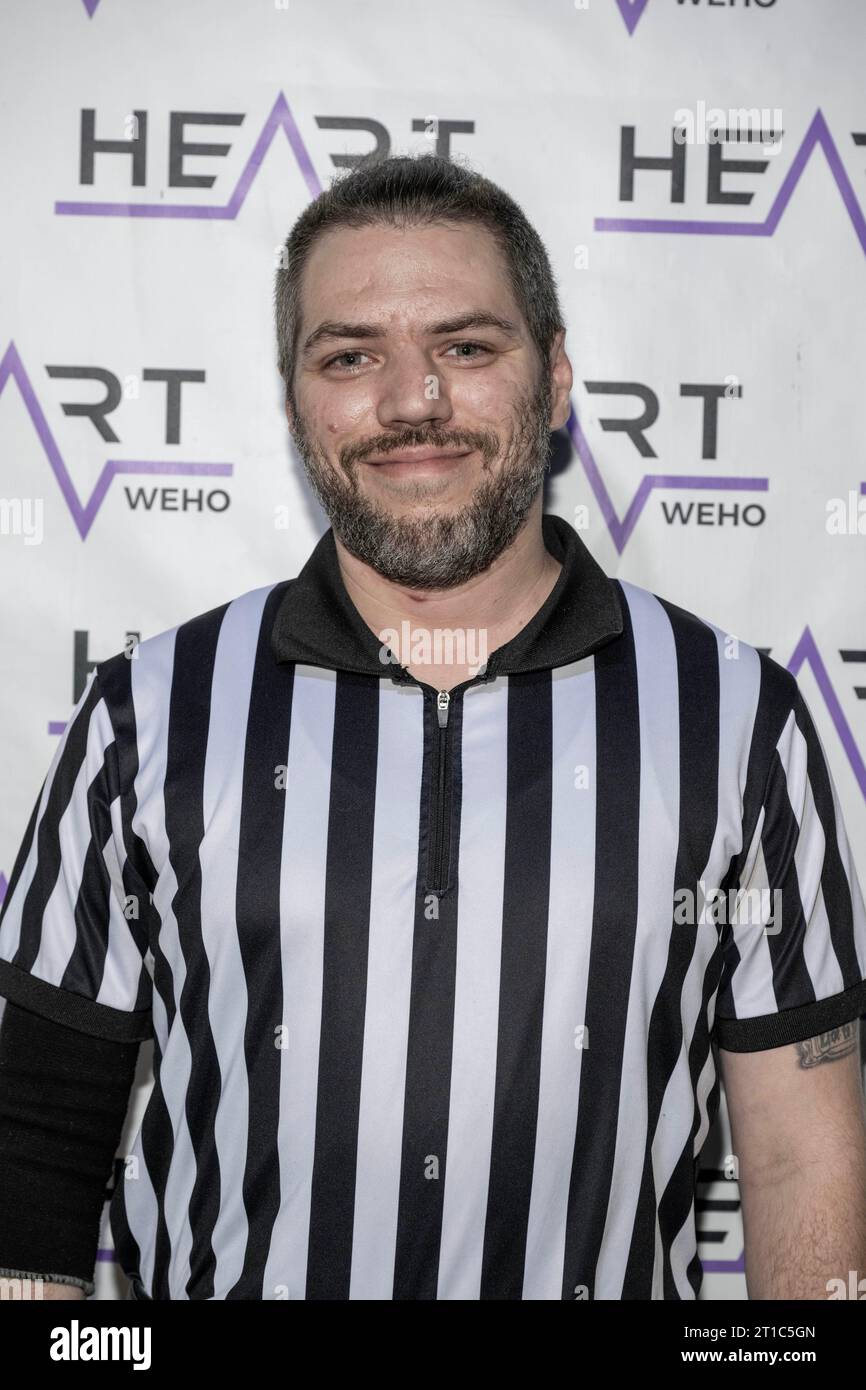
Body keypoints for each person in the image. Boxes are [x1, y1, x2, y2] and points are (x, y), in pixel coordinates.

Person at [1, 152, 866, 1302]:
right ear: (297, 397)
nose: (414, 400)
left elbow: (799, 1151)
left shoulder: (736, 716)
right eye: (352, 356)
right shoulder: (147, 715)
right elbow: (36, 1147)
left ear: (553, 379)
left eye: (466, 347)